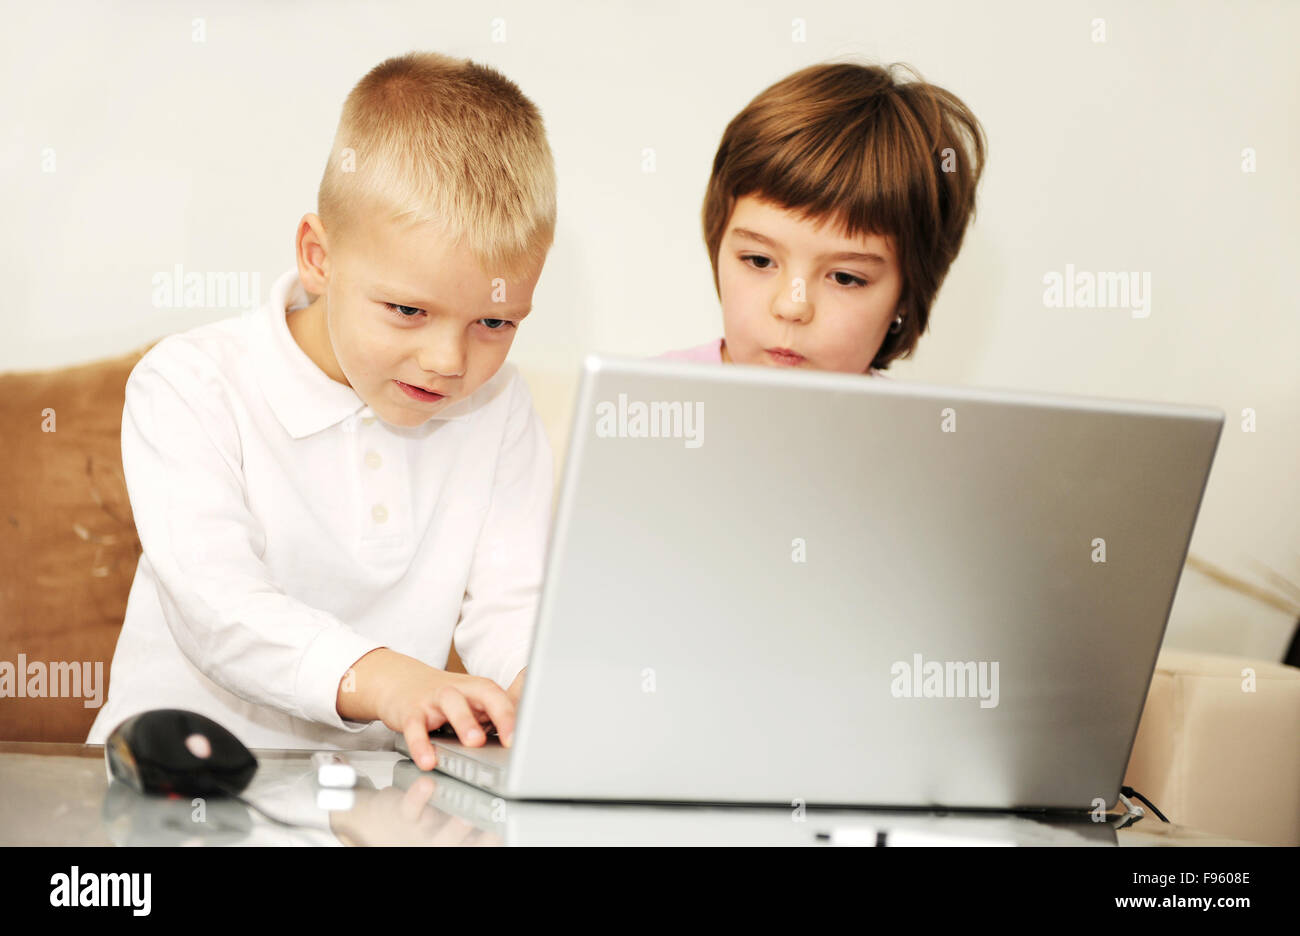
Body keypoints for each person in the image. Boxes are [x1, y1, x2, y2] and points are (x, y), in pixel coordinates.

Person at [87, 52, 557, 773]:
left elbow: (515, 602)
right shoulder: (190, 384)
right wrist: (387, 678)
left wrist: (536, 693)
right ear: (319, 256)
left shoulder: (498, 407)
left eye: (494, 323)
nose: (448, 361)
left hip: (375, 795)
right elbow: (219, 606)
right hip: (169, 787)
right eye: (408, 309)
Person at [663, 61, 986, 376]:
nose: (792, 306)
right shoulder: (645, 405)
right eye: (760, 261)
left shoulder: (917, 430)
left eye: (845, 278)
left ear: (905, 295)